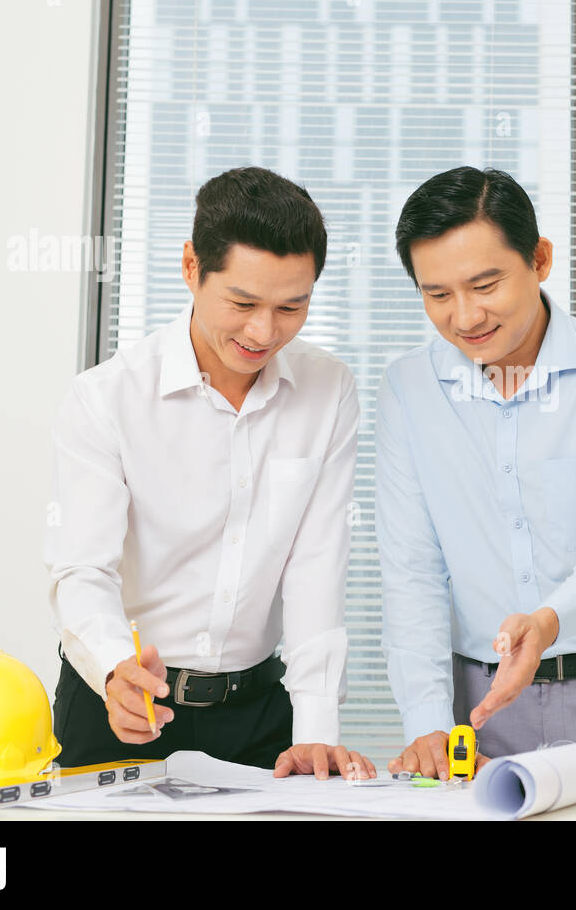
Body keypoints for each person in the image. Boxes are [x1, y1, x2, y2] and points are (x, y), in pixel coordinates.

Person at [46, 166, 375, 780]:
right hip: (123, 704)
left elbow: (315, 566)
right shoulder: (107, 398)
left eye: (291, 306)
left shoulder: (328, 390)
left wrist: (316, 730)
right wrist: (117, 668)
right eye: (243, 303)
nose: (263, 332)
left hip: (255, 715)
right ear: (192, 268)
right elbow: (82, 569)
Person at [378, 165, 576, 779]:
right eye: (437, 294)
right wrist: (427, 722)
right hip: (482, 715)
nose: (465, 316)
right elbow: (412, 567)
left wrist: (550, 621)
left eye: (485, 284)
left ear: (540, 259)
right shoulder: (409, 388)